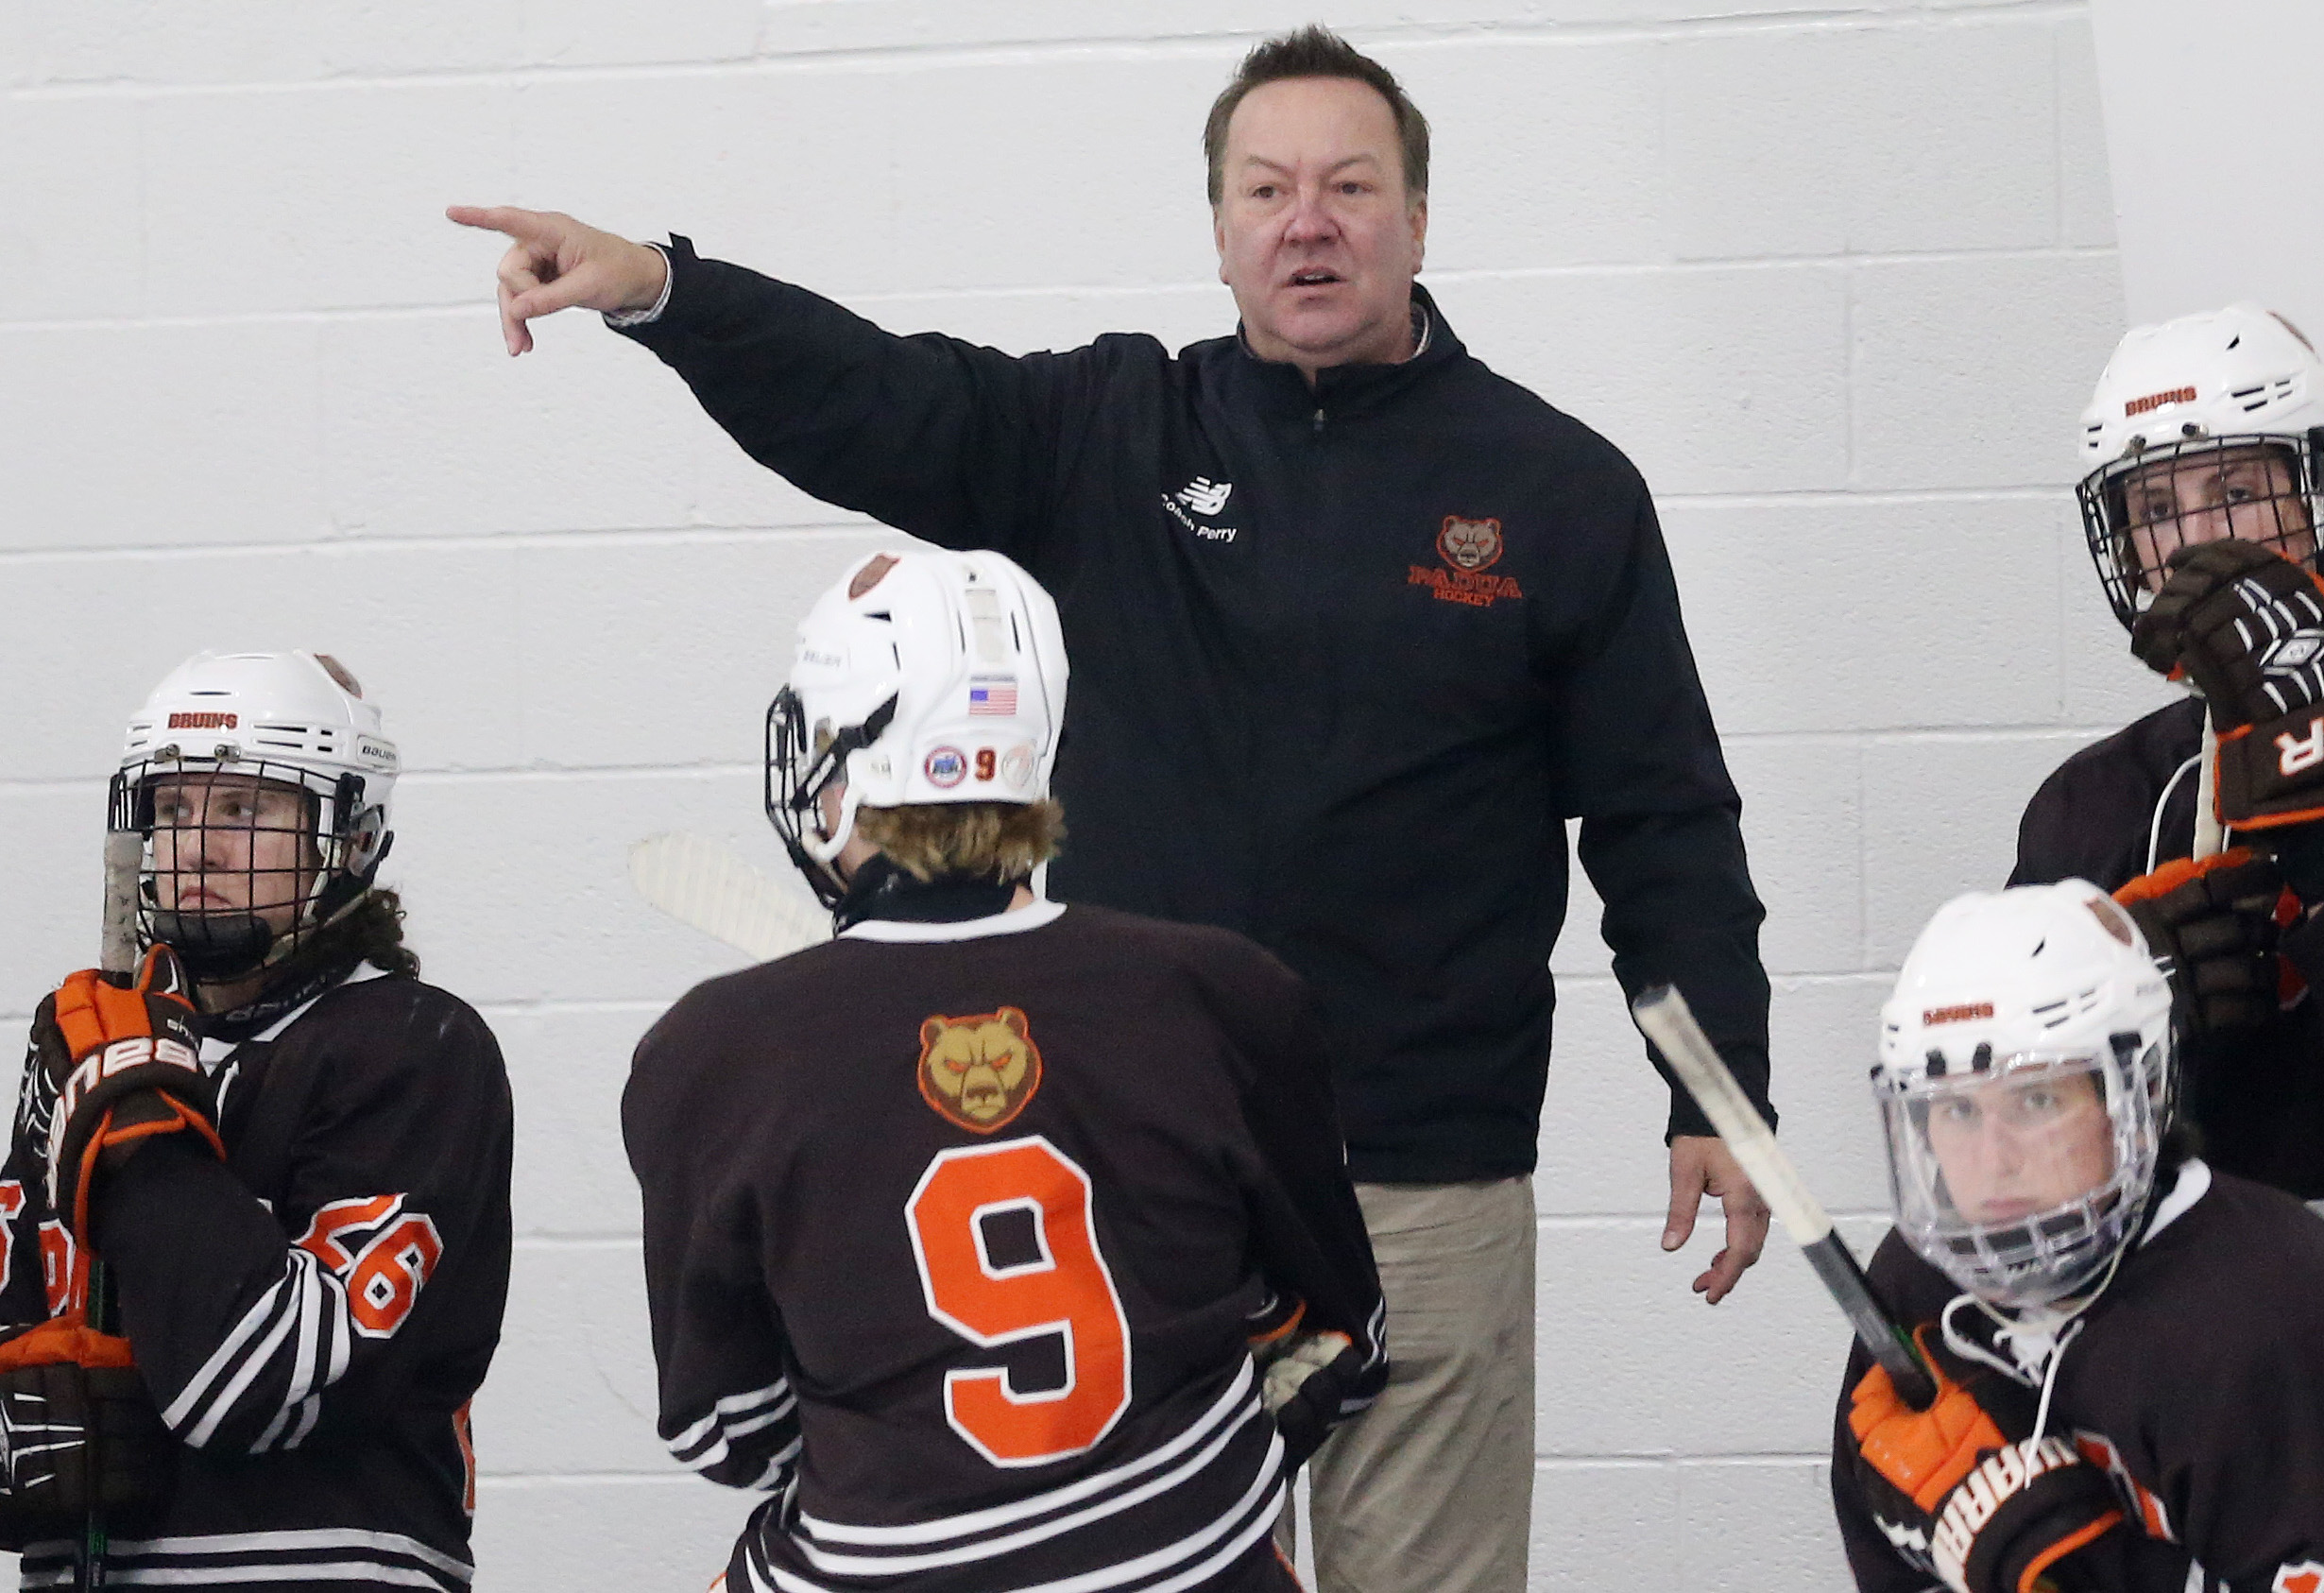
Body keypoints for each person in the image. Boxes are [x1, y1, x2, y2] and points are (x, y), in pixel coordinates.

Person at [452, 27, 1774, 1586]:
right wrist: (667, 290)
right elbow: (880, 398)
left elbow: (1660, 822)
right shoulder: (1109, 431)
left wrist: (1717, 1089)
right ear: (1215, 228)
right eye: (1265, 187)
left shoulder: (1558, 490)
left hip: (1423, 1175)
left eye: (1351, 185)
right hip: (1137, 1173)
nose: (1309, 220)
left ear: (1419, 219)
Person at [624, 546, 1386, 1591]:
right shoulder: (1224, 992)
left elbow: (730, 1437)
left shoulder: (710, 1052)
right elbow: (1341, 1336)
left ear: (847, 777)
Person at [0, 650, 514, 1590]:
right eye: (172, 808)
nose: (196, 845)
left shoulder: (411, 1045)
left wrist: (137, 1113)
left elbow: (250, 1385)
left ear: (349, 837)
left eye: (244, 808)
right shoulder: (86, 1045)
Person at [2009, 303, 2324, 1352]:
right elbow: (2024, 1203)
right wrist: (2121, 1029)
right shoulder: (2095, 801)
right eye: (2155, 506)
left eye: (2238, 490)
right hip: (2208, 1373)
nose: (2199, 538)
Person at [1832, 882, 2324, 1593]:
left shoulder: (2265, 1314)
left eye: (2035, 1100)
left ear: (2136, 1098)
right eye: (1954, 1111)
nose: (1992, 1158)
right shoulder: (1913, 1288)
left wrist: (2049, 1558)